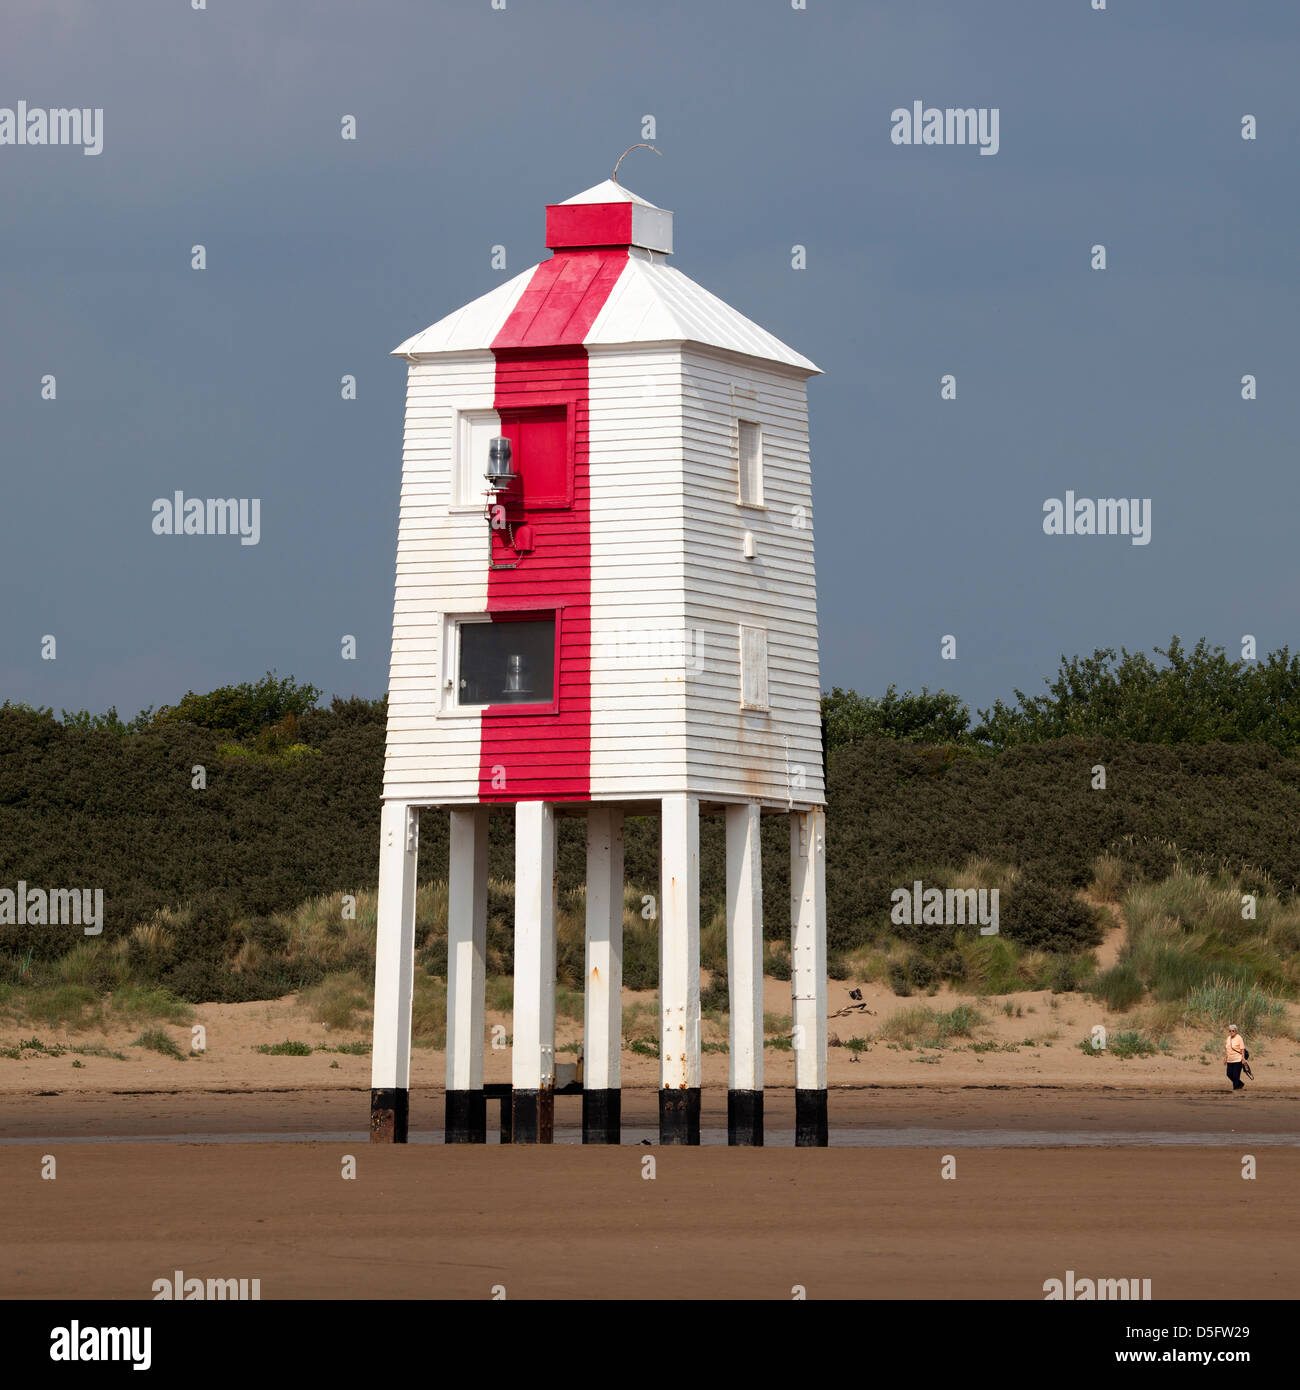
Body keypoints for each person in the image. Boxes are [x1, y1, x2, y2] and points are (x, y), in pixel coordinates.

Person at [1224, 1024, 1246, 1091]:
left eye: (1233, 1031)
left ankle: (1235, 1089)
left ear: (1236, 1031)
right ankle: (1240, 1084)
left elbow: (1242, 1049)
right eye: (1229, 1031)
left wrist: (1243, 1058)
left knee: (1236, 1076)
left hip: (1237, 1060)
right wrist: (1225, 1058)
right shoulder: (1228, 1038)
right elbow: (1227, 1049)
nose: (1231, 1032)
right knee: (1229, 1074)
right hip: (1230, 1060)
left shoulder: (1239, 1038)